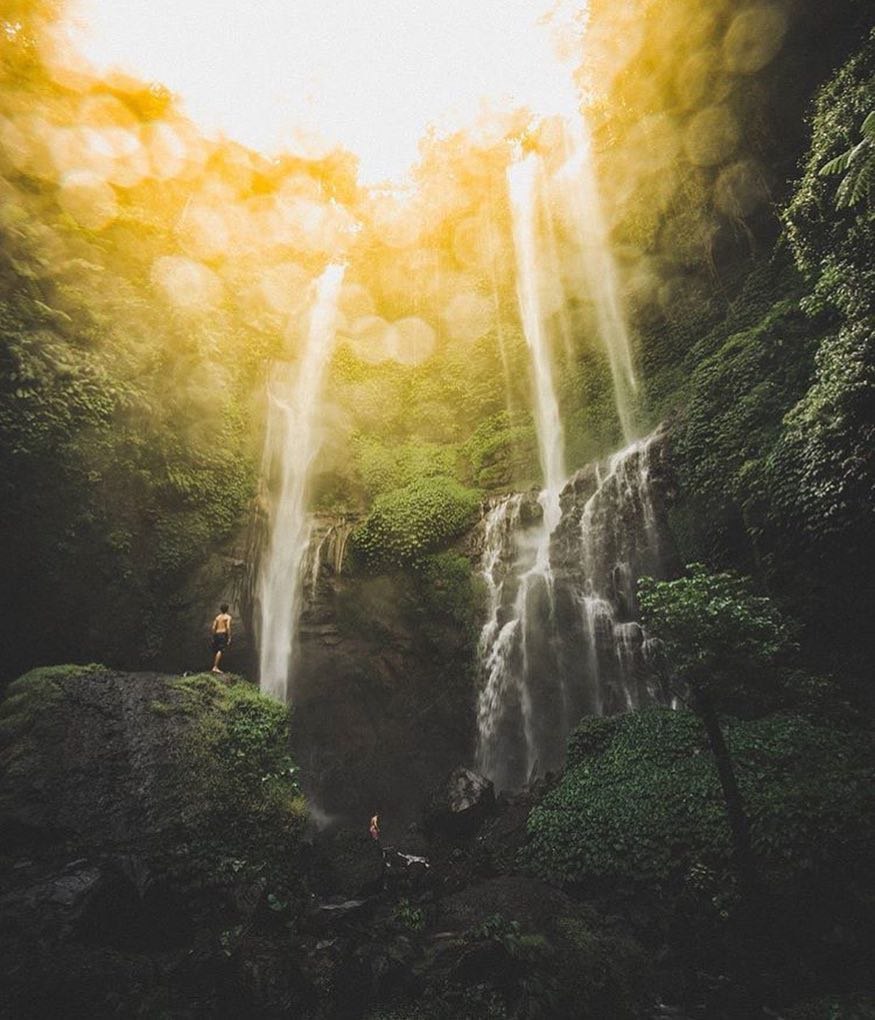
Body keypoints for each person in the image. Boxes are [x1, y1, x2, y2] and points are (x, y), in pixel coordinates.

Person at [210, 603, 232, 673]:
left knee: (216, 650)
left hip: (217, 634)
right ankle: (215, 667)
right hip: (223, 634)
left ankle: (215, 666)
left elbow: (213, 627)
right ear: (227, 609)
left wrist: (213, 636)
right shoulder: (228, 617)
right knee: (220, 650)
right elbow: (228, 627)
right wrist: (229, 637)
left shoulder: (217, 617)